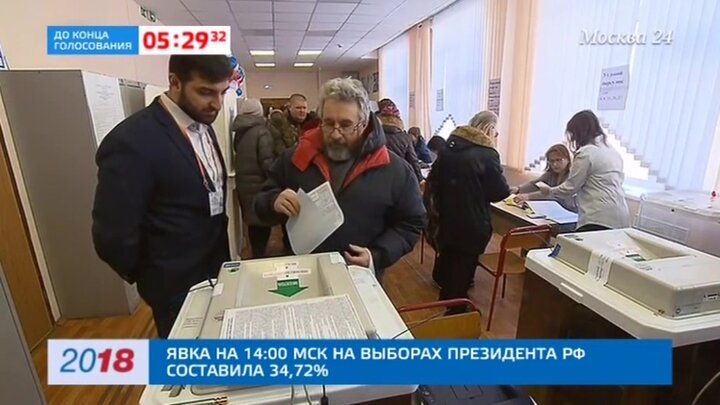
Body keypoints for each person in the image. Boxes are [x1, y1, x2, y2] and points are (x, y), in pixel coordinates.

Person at [92, 55, 233, 338]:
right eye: (206, 92)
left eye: (223, 92)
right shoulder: (132, 140)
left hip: (216, 269)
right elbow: (112, 235)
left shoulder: (203, 125)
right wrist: (152, 276)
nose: (217, 104)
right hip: (173, 286)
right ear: (174, 82)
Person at [254, 77, 426, 281]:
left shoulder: (394, 169)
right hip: (303, 273)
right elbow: (262, 199)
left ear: (364, 124)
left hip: (360, 278)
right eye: (328, 123)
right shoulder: (295, 158)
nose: (335, 134)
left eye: (346, 125)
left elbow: (411, 222)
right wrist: (273, 201)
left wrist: (377, 255)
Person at [426, 110, 510, 314]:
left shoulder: (449, 147)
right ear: (490, 128)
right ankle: (456, 312)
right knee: (464, 266)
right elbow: (499, 192)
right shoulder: (487, 154)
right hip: (472, 221)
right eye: (496, 131)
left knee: (449, 255)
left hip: (445, 217)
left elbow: (433, 181)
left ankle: (444, 290)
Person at [532, 110, 630, 231]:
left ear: (578, 133)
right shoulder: (613, 152)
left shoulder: (586, 153)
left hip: (597, 217)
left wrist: (549, 191)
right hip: (621, 216)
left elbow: (569, 188)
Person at [232, 98, 275, 258]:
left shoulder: (239, 131)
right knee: (263, 220)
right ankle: (260, 257)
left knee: (252, 221)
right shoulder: (261, 131)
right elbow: (267, 161)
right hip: (260, 184)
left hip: (244, 183)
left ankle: (256, 254)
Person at [512, 144, 577, 212]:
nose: (555, 164)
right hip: (552, 210)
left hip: (570, 212)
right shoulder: (551, 174)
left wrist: (528, 196)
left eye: (558, 160)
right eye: (552, 161)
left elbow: (555, 195)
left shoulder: (573, 176)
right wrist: (518, 189)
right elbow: (534, 184)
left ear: (568, 159)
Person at [377, 103, 423, 182]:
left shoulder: (374, 135)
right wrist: (420, 179)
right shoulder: (406, 138)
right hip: (399, 177)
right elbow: (413, 161)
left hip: (378, 177)